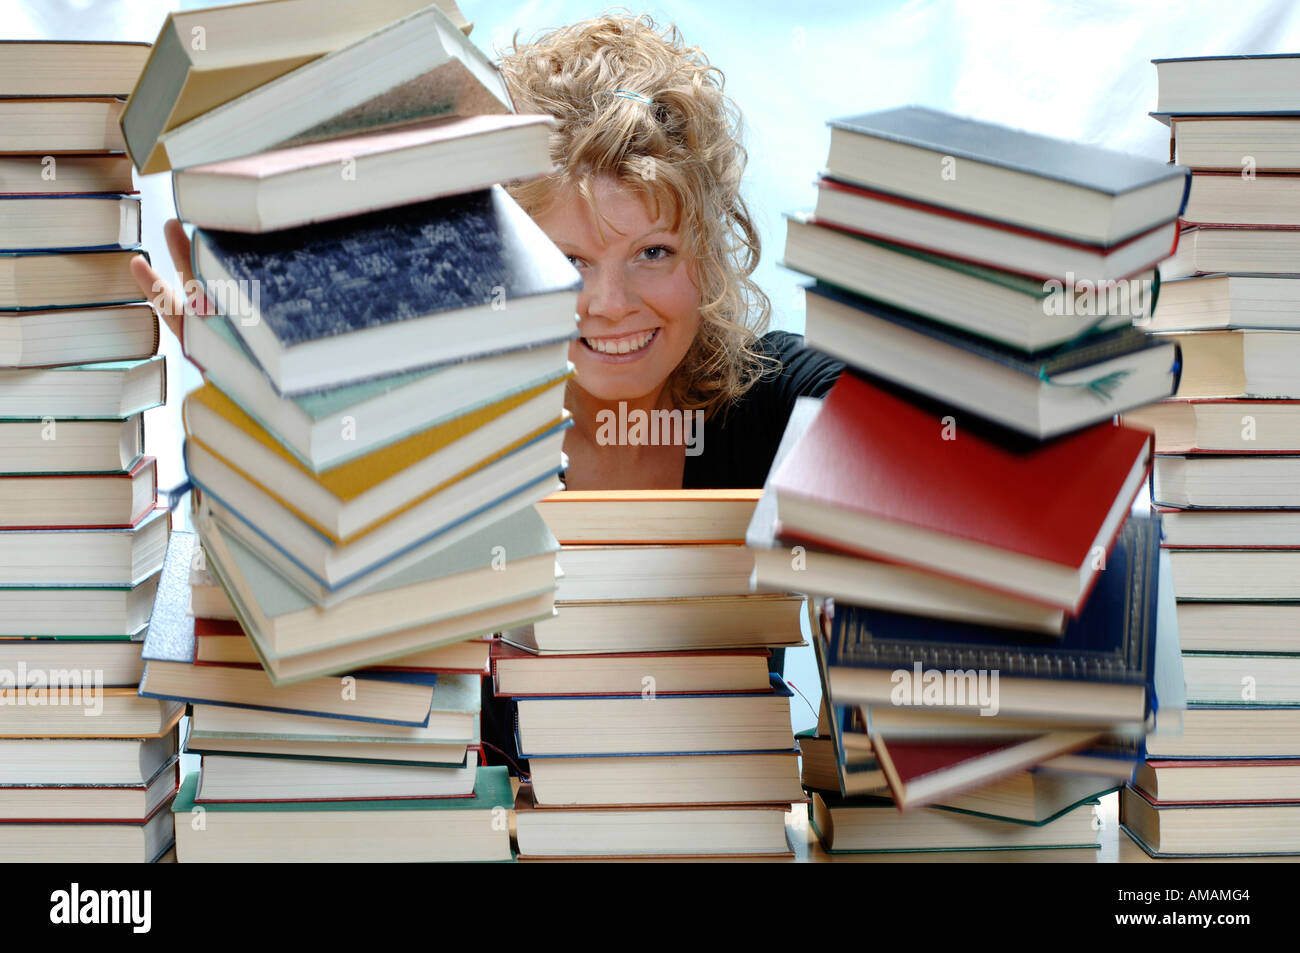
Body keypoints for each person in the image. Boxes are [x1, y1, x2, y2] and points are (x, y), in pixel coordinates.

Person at [131, 13, 844, 773]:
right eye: (569, 259)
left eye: (653, 252)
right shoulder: (432, 422)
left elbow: (883, 420)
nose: (610, 301)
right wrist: (268, 399)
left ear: (706, 249)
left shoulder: (761, 397)